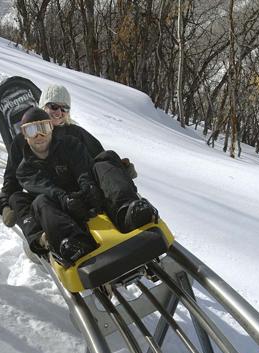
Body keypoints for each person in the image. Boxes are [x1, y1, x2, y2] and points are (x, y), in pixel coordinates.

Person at [15, 107, 158, 266]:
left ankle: (127, 212)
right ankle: (73, 243)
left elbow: (83, 168)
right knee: (40, 202)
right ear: (24, 135)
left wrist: (88, 188)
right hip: (63, 213)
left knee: (105, 160)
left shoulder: (70, 143)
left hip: (91, 198)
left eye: (43, 128)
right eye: (32, 131)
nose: (39, 136)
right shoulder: (24, 170)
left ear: (51, 128)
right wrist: (66, 200)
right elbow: (46, 188)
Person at [0, 84, 103, 253]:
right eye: (53, 106)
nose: (58, 112)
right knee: (21, 199)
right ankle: (42, 239)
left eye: (64, 108)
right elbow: (13, 177)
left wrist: (117, 166)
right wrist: (4, 204)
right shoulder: (22, 143)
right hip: (48, 199)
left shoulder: (74, 134)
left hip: (79, 194)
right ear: (42, 106)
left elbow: (97, 159)